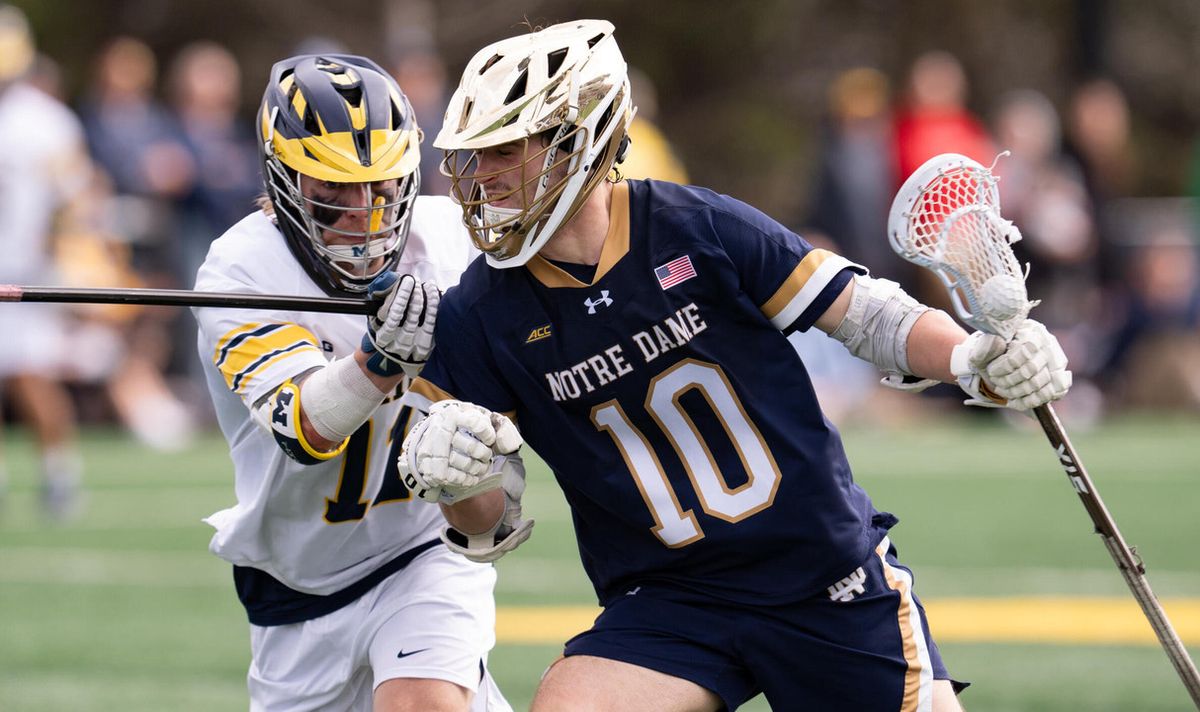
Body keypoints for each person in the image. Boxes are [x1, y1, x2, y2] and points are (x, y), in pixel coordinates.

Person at [398, 20, 1072, 712]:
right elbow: (488, 525)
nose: (480, 177)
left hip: (816, 574)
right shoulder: (479, 310)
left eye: (503, 150)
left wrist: (969, 358)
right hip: (669, 600)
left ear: (579, 138)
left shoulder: (694, 227)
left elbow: (870, 315)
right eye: (474, 156)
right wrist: (458, 480)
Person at [192, 54, 510, 711]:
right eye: (334, 190)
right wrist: (379, 362)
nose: (365, 212)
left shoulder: (452, 239)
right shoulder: (242, 269)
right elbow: (304, 430)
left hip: (423, 550)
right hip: (298, 585)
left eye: (384, 186)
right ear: (284, 181)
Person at [0, 3, 89, 518]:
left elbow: (75, 196)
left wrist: (58, 246)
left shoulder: (43, 121)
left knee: (28, 371)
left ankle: (59, 472)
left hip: (22, 268)